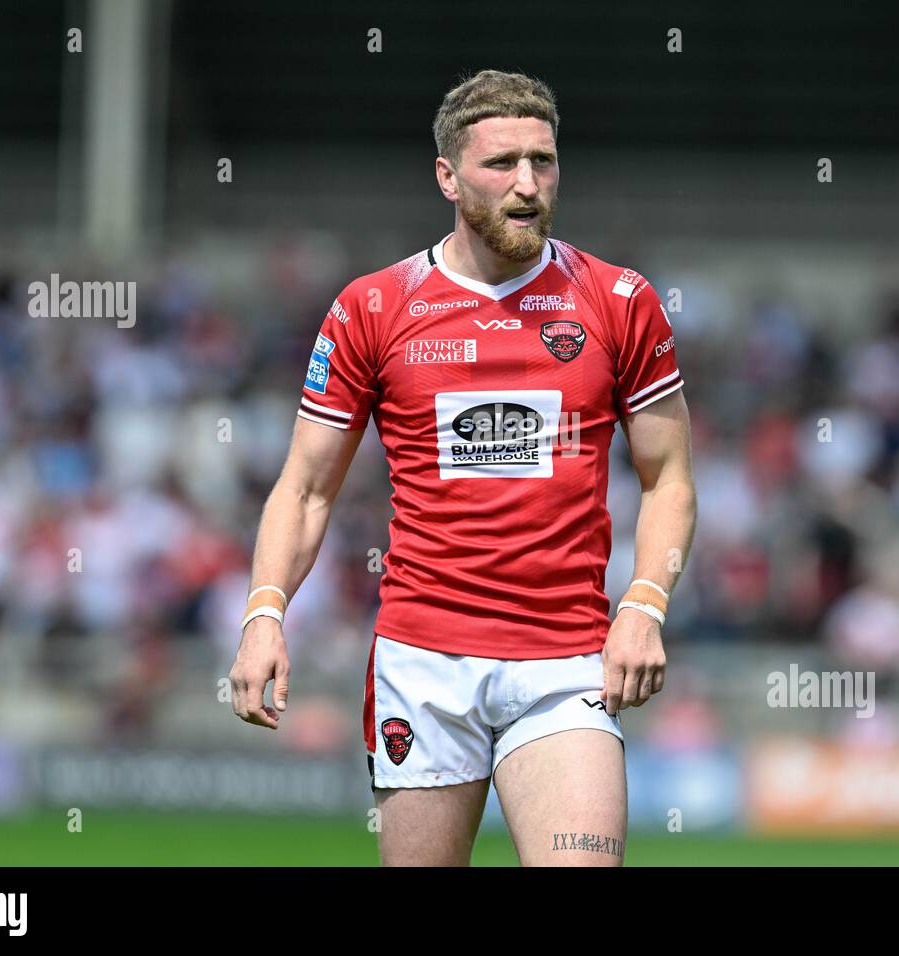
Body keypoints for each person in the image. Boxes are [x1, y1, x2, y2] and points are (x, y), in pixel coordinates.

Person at [228, 69, 696, 866]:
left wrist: (645, 604)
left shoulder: (619, 300)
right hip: (422, 664)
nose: (527, 185)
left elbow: (671, 479)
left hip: (565, 663)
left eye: (543, 162)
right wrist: (264, 614)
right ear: (447, 176)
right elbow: (305, 489)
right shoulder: (373, 308)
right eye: (502, 163)